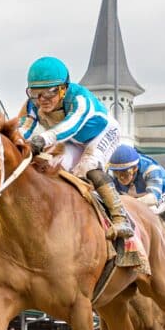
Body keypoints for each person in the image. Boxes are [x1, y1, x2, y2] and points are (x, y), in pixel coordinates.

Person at [18, 56, 132, 240]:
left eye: (49, 93)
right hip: (73, 140)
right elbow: (24, 127)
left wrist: (42, 139)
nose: (42, 100)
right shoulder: (33, 103)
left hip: (102, 133)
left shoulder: (80, 99)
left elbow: (71, 125)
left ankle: (120, 217)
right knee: (54, 167)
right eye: (35, 93)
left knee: (88, 167)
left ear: (64, 89)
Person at [107, 144, 165, 216]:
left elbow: (154, 198)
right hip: (133, 194)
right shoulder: (110, 171)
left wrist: (129, 203)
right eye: (116, 172)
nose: (121, 177)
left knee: (146, 212)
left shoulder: (151, 169)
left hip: (161, 195)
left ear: (135, 168)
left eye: (125, 172)